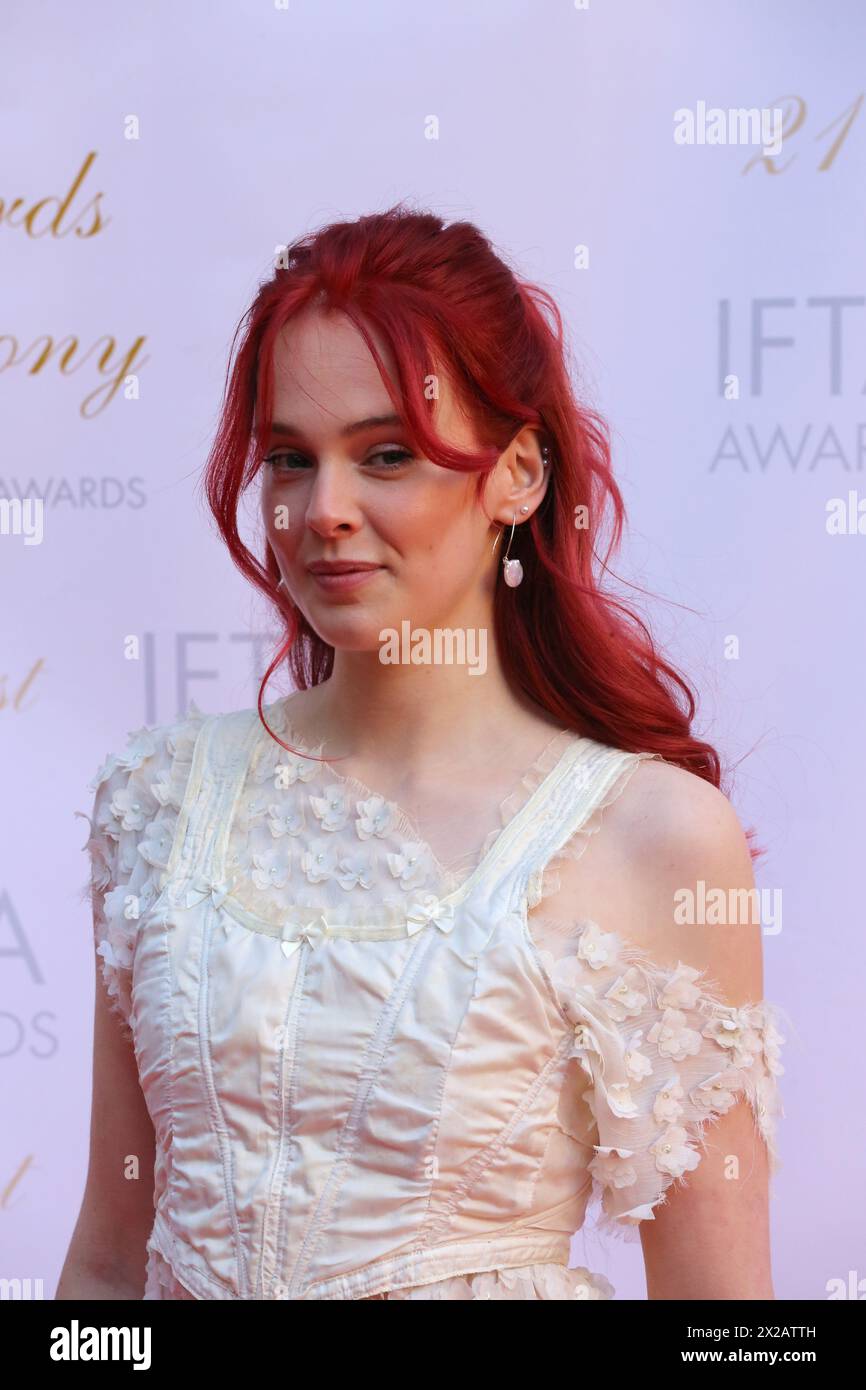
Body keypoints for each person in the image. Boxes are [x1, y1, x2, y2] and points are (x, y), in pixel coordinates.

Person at [59, 205, 789, 1301]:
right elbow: (112, 1263)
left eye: (386, 454)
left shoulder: (654, 837)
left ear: (517, 476)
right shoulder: (157, 800)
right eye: (290, 460)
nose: (323, 511)